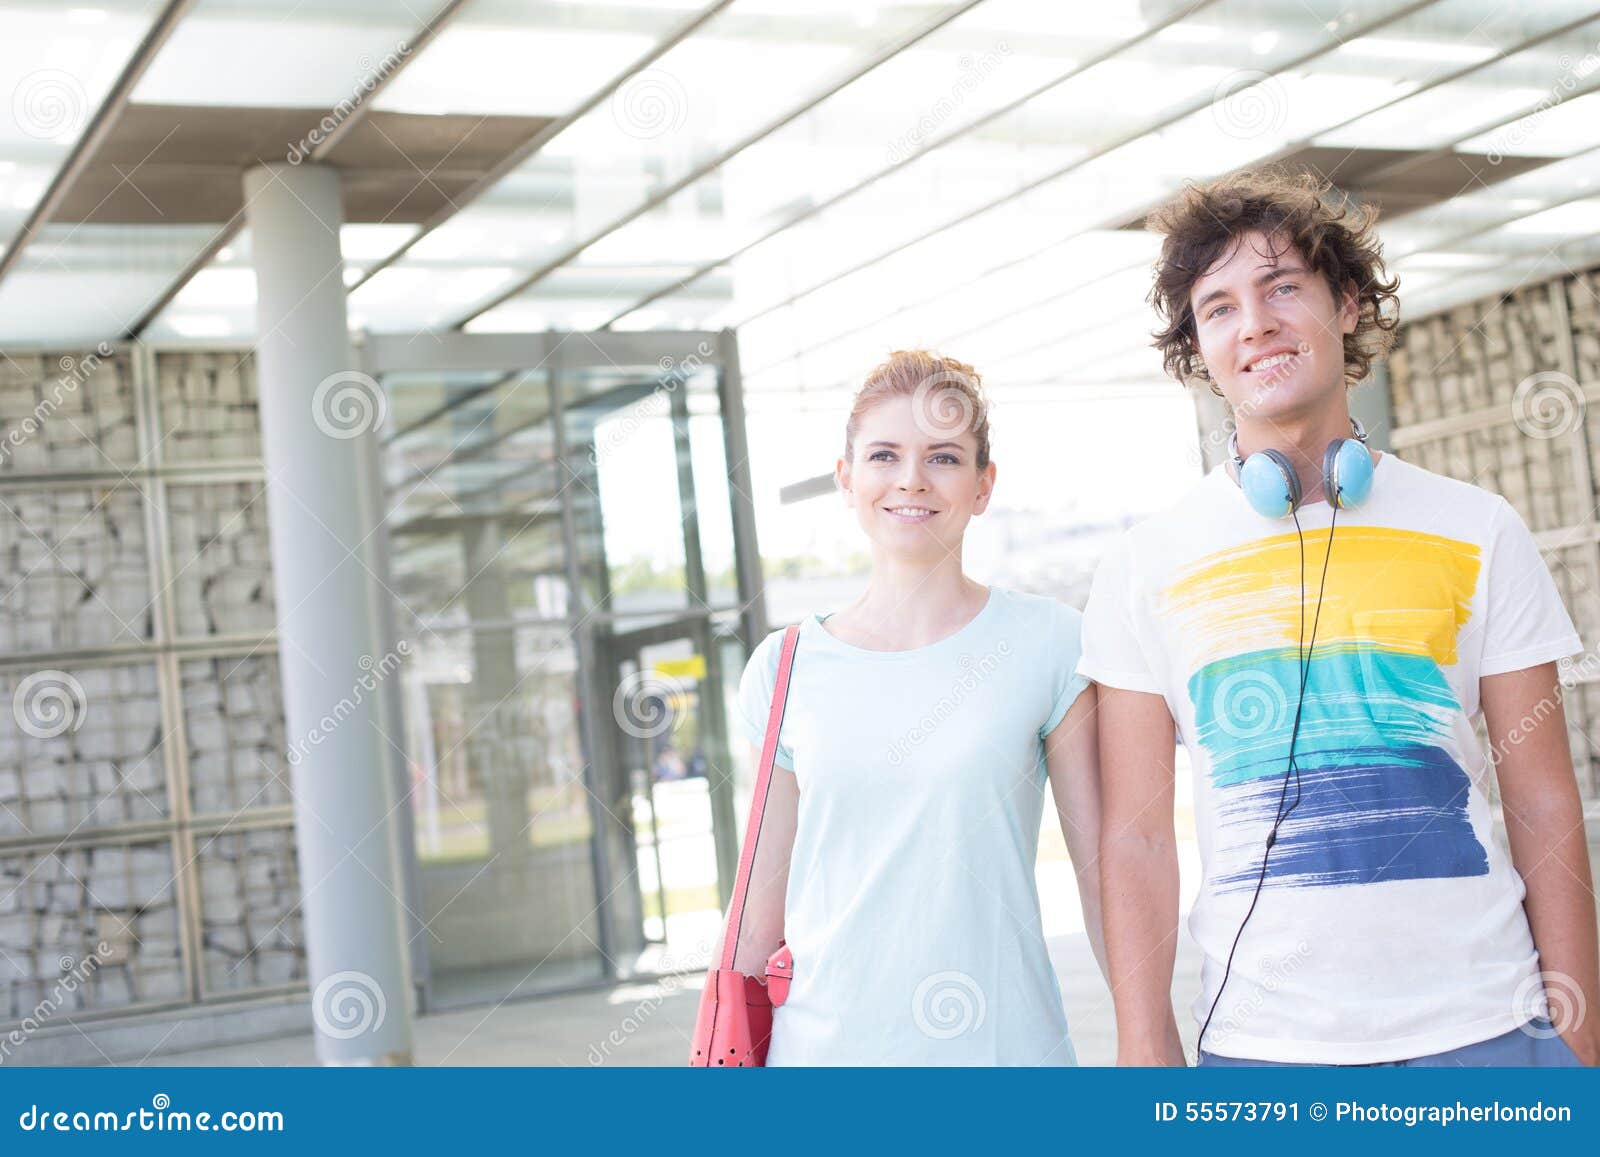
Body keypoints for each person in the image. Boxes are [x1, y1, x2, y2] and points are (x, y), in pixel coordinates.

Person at [1081, 168, 1600, 1068]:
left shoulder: (1478, 526)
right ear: (1200, 349)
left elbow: (1543, 798)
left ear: (1349, 305)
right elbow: (1132, 835)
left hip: (1489, 1029)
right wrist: (1142, 1044)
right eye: (1220, 307)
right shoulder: (1143, 564)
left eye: (1283, 287)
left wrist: (1583, 1037)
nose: (1257, 324)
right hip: (1261, 1054)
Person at [727, 349, 1104, 1065]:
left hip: (1004, 1056)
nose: (910, 479)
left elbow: (1104, 871)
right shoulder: (785, 666)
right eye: (883, 455)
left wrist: (1148, 1038)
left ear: (983, 484)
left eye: (943, 457)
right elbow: (755, 914)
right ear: (847, 479)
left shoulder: (1051, 642)